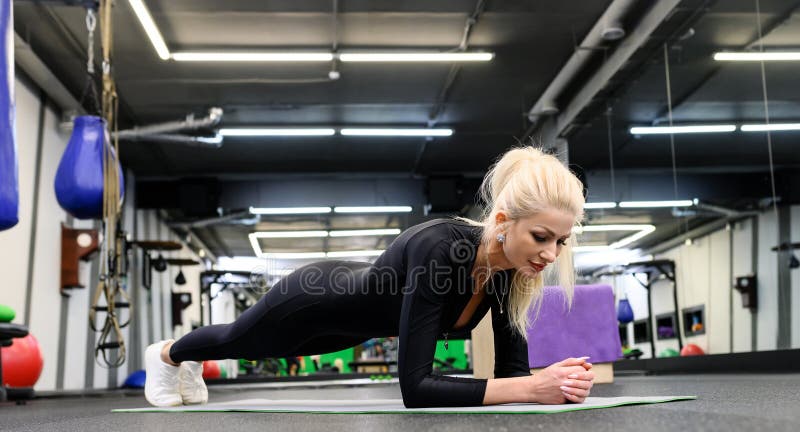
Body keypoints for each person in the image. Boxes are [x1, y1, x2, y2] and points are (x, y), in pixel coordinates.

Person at [144, 146, 595, 408]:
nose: (550, 254)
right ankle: (166, 355)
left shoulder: (510, 274)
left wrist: (557, 383)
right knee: (238, 340)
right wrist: (536, 386)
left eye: (561, 241)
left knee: (255, 346)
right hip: (314, 298)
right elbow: (416, 390)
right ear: (501, 221)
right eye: (541, 236)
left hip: (351, 330)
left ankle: (182, 366)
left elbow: (512, 375)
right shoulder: (441, 249)